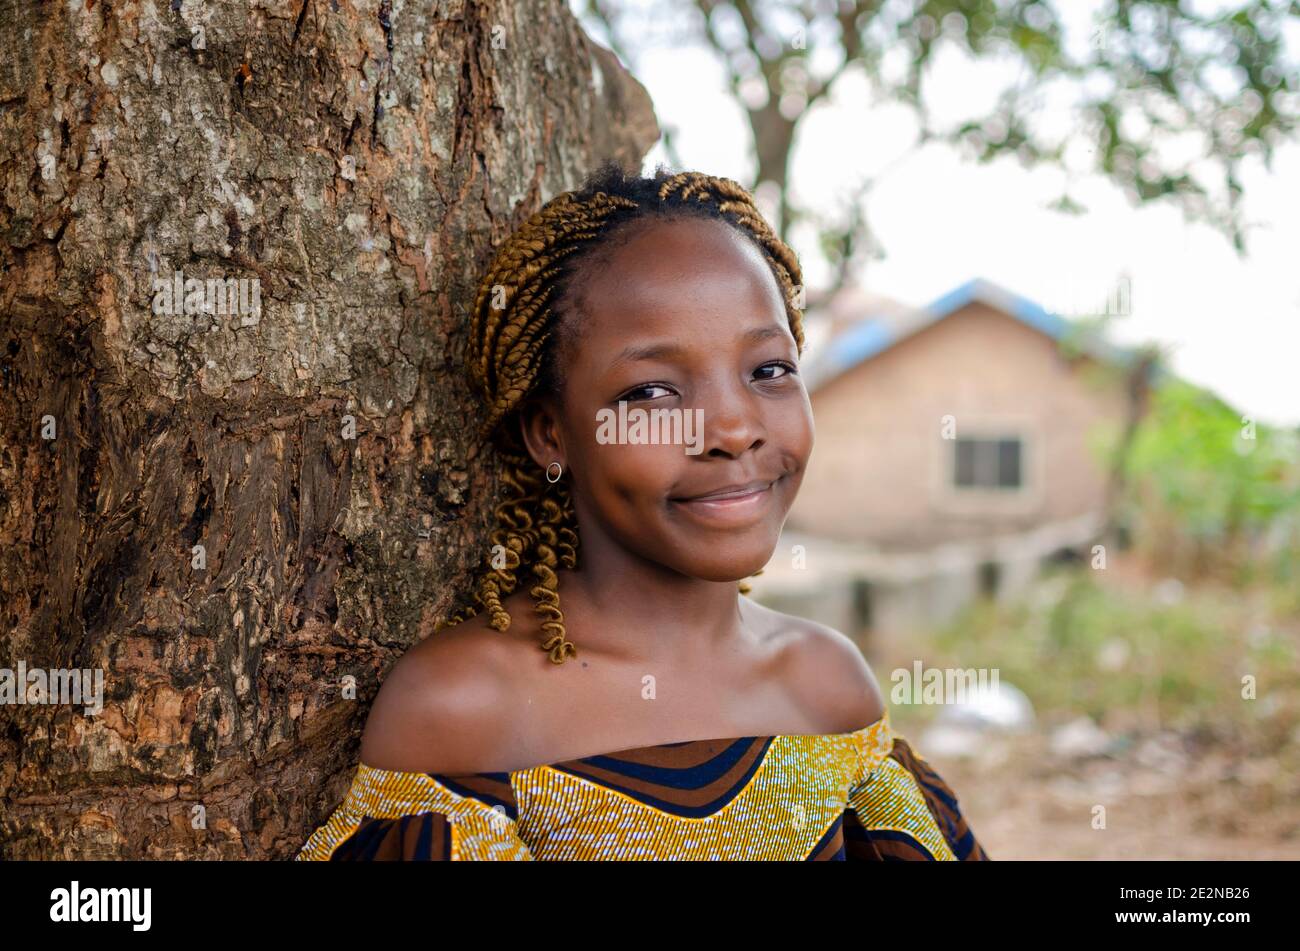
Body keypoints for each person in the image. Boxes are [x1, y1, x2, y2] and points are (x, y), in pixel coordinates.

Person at [296, 163, 989, 861]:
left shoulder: (828, 685)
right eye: (653, 391)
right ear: (551, 433)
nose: (733, 429)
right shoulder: (464, 709)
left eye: (769, 370)